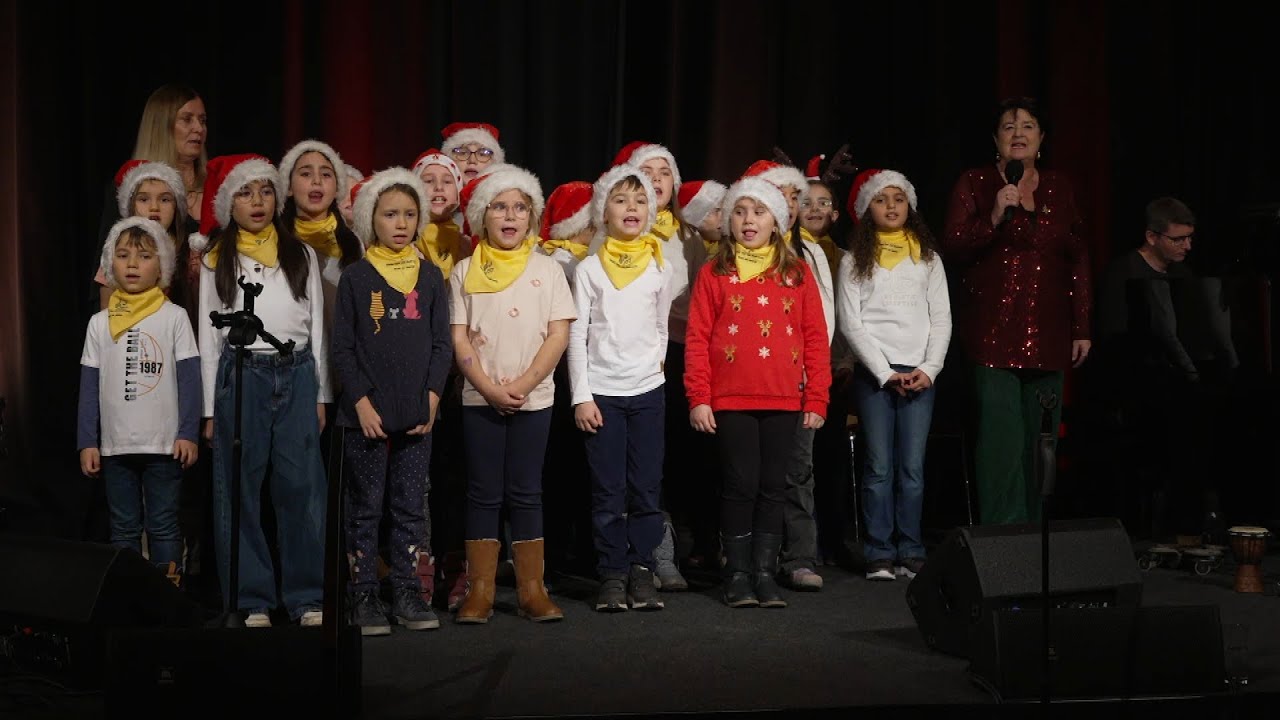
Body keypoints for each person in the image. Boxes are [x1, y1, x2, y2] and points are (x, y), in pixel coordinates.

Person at [193, 154, 331, 628]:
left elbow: (317, 329)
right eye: (246, 192)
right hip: (241, 374)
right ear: (229, 202)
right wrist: (210, 407)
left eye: (266, 191)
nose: (257, 201)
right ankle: (251, 598)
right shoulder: (218, 257)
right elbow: (208, 338)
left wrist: (321, 394)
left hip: (295, 371)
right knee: (239, 487)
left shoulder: (301, 254)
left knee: (302, 486)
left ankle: (307, 595)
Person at [942, 96, 1092, 525]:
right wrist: (991, 215)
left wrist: (1082, 325)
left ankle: (1035, 533)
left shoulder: (1061, 187)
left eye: (1028, 126)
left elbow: (1078, 256)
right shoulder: (974, 182)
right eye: (1009, 127)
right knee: (1001, 441)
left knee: (1042, 443)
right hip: (992, 334)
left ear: (1041, 139)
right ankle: (1003, 541)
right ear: (996, 140)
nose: (1019, 134)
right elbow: (951, 245)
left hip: (1050, 333)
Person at [685, 177, 831, 608]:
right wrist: (699, 397)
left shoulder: (796, 272)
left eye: (759, 212)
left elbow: (814, 338)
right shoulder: (715, 272)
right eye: (740, 211)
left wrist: (817, 397)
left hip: (784, 399)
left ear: (778, 220)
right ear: (729, 219)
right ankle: (737, 574)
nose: (749, 220)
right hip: (731, 400)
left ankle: (765, 574)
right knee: (740, 484)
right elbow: (697, 338)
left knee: (773, 487)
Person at [449, 165, 574, 624]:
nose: (510, 215)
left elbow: (557, 336)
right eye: (499, 206)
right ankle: (479, 592)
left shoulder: (548, 270)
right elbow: (460, 339)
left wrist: (520, 386)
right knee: (482, 493)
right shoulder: (464, 271)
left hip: (532, 400)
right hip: (480, 398)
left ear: (532, 218)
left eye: (520, 208)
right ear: (483, 215)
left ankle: (531, 590)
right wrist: (486, 387)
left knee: (526, 492)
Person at [335, 168, 452, 635]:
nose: (400, 223)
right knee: (366, 507)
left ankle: (407, 591)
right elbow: (343, 347)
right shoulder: (356, 278)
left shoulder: (430, 276)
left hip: (415, 413)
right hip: (368, 415)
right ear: (371, 220)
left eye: (409, 214)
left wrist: (431, 398)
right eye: (390, 215)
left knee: (409, 506)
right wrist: (360, 402)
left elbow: (441, 344)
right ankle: (363, 594)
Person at [1094, 197, 1237, 540]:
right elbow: (1116, 343)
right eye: (1178, 239)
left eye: (1190, 238)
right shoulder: (1122, 273)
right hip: (1133, 388)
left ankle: (1193, 523)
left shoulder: (1183, 275)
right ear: (1152, 236)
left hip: (1175, 383)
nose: (1187, 246)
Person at [838, 169, 952, 581]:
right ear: (868, 208)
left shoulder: (927, 257)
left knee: (913, 469)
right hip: (876, 376)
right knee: (880, 466)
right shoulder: (854, 260)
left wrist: (930, 368)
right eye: (882, 199)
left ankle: (912, 549)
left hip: (920, 375)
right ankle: (879, 552)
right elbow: (851, 322)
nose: (891, 206)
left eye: (898, 199)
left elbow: (941, 319)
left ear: (910, 206)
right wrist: (884, 372)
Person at [569, 165, 673, 612]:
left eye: (640, 200)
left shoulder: (659, 267)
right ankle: (612, 573)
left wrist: (652, 369)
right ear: (603, 212)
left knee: (646, 487)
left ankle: (642, 570)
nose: (631, 207)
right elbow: (577, 334)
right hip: (603, 393)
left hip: (647, 391)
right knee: (608, 490)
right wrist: (581, 394)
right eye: (620, 200)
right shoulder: (589, 268)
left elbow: (662, 326)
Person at [78, 217, 200, 586]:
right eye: (123, 255)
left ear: (161, 266)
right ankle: (128, 602)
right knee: (123, 527)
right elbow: (88, 384)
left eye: (144, 256)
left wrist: (188, 432)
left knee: (163, 523)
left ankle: (167, 602)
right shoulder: (100, 323)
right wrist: (87, 441)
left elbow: (189, 379)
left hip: (164, 445)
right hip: (115, 448)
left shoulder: (174, 317)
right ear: (109, 263)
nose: (132, 264)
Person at [742, 159, 836, 592]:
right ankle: (751, 558)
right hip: (756, 383)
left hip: (798, 383)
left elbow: (822, 322)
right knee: (755, 474)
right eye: (782, 194)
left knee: (798, 471)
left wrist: (818, 381)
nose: (791, 203)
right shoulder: (743, 253)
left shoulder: (810, 251)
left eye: (795, 196)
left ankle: (798, 556)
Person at [612, 141, 696, 591]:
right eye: (647, 171)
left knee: (669, 459)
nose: (658, 178)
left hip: (678, 353)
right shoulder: (611, 239)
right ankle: (629, 555)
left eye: (666, 171)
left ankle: (667, 550)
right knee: (628, 464)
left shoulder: (689, 236)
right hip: (624, 359)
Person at [99, 85, 208, 249]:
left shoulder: (220, 188)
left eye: (202, 120)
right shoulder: (130, 189)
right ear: (161, 127)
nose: (199, 129)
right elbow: (106, 261)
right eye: (187, 119)